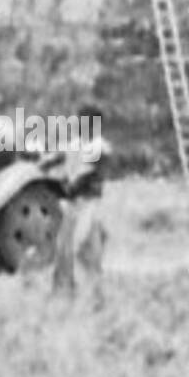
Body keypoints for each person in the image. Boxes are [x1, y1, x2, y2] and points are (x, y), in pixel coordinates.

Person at [49, 105, 112, 298]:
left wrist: (66, 187)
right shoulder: (76, 144)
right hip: (74, 204)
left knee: (80, 247)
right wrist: (40, 163)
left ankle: (90, 294)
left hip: (89, 204)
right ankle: (67, 291)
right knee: (64, 247)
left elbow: (88, 175)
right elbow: (56, 158)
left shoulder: (100, 147)